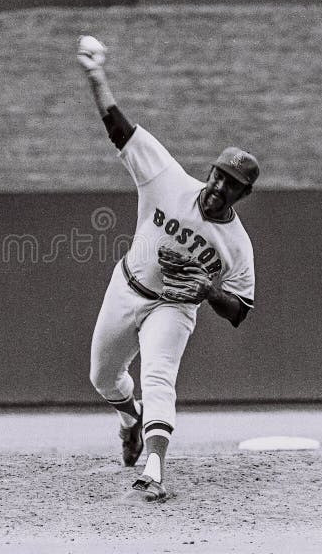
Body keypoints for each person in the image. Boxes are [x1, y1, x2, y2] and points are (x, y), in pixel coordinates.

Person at [76, 35, 259, 504]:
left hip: (174, 307)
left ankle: (154, 468)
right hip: (127, 287)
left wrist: (207, 291)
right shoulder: (168, 178)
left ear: (243, 195)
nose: (220, 186)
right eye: (219, 174)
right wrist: (96, 76)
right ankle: (128, 418)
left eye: (232, 185)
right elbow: (120, 128)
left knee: (159, 376)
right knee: (102, 376)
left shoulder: (236, 245)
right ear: (211, 170)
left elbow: (240, 310)